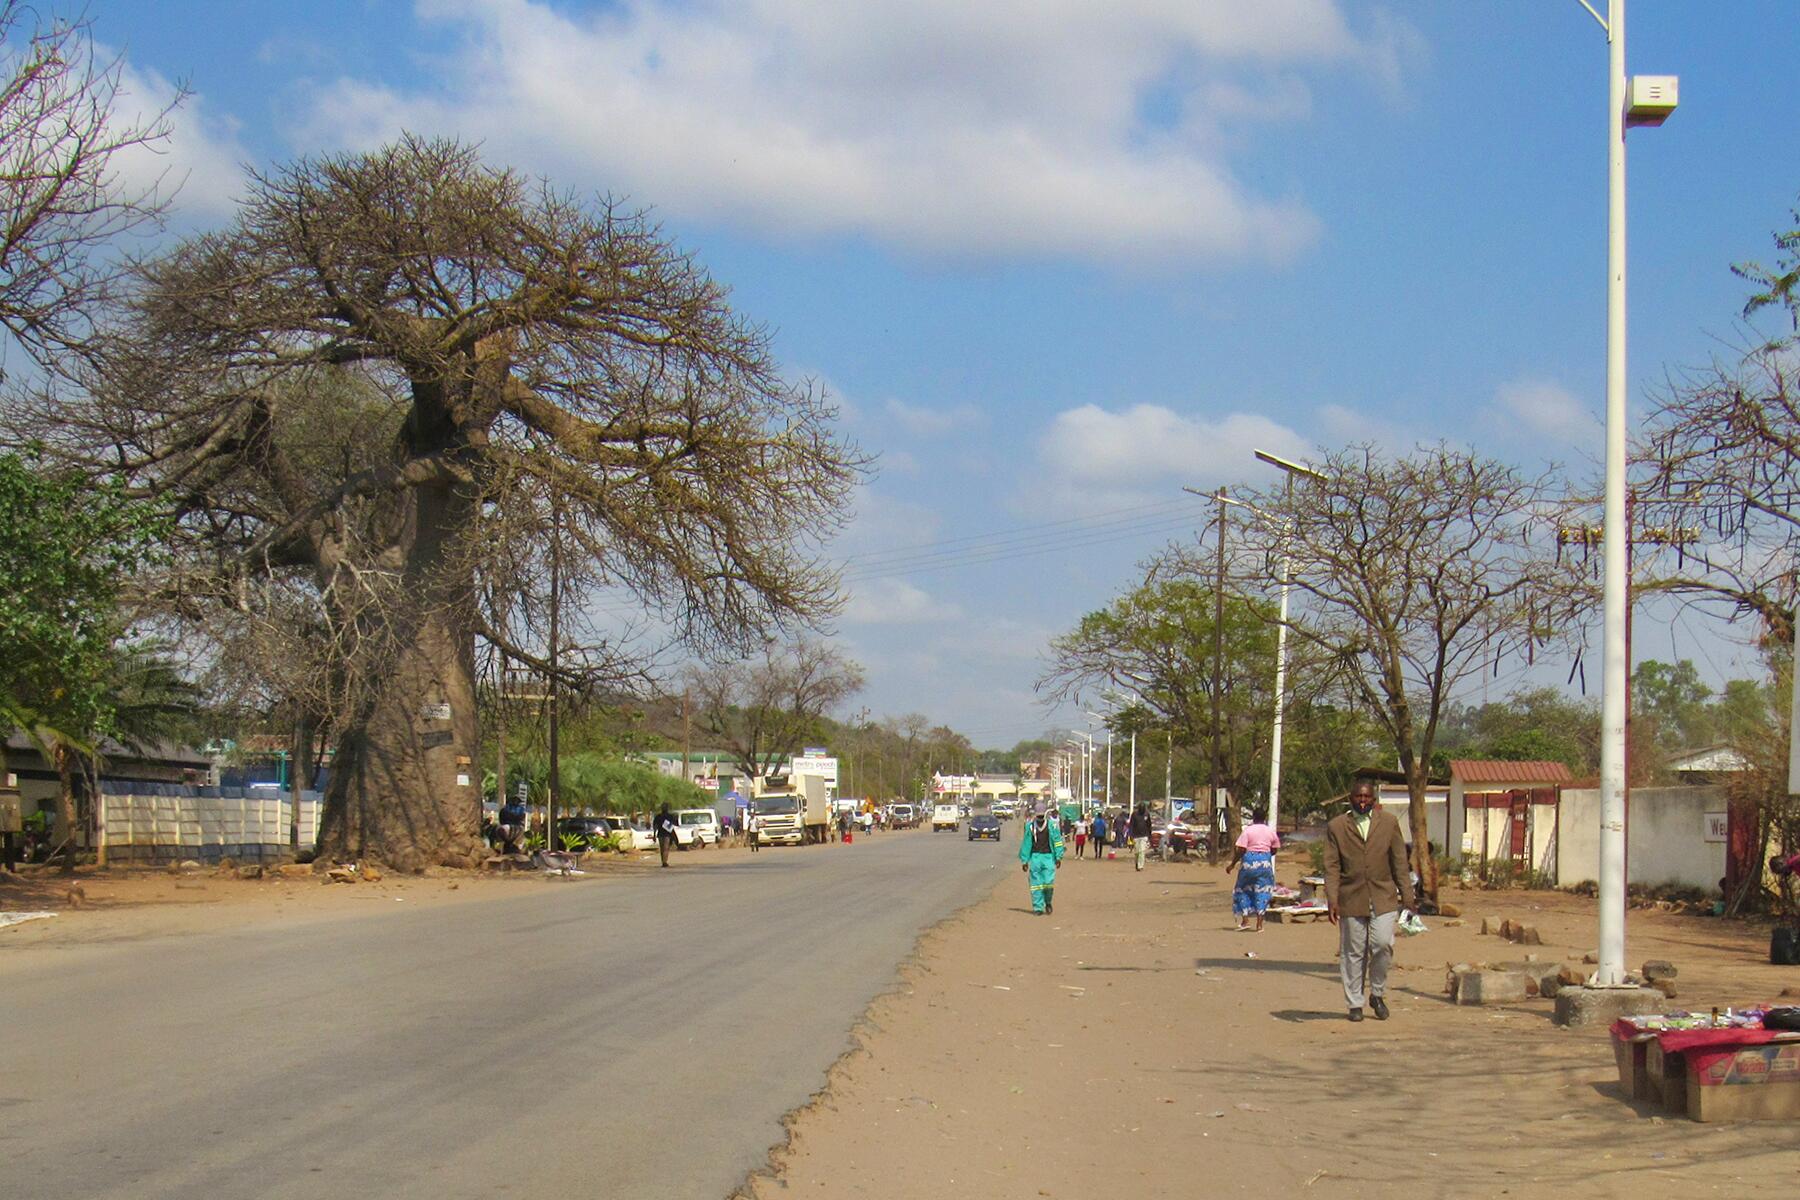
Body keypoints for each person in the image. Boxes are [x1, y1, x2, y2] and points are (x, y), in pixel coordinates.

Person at [1324, 780, 1416, 1022]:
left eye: (1367, 798)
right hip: (1351, 897)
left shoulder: (1388, 823)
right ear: (1351, 798)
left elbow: (1399, 862)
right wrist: (1332, 898)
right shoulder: (1337, 827)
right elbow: (1331, 867)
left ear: (1374, 800)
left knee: (1382, 945)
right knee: (1353, 952)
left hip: (1383, 896)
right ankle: (1355, 1003)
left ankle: (1377, 993)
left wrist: (1408, 897)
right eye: (1358, 797)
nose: (1362, 801)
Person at [1225, 806, 1281, 932]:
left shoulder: (1248, 831)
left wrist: (1232, 864)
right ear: (1264, 818)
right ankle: (1260, 924)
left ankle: (1245, 920)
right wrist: (1264, 857)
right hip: (1265, 864)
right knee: (1263, 890)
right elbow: (1275, 848)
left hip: (1248, 863)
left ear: (1254, 817)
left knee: (1242, 889)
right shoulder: (1270, 831)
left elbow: (1241, 849)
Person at [1018, 800, 1065, 915]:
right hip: (1035, 857)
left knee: (1048, 883)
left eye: (1041, 815)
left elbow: (1058, 841)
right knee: (1036, 885)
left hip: (1048, 857)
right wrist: (1024, 861)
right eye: (1038, 815)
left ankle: (1048, 902)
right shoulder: (1030, 827)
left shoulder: (1052, 826)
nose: (1039, 817)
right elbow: (1026, 843)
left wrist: (1058, 857)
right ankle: (1038, 907)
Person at [654, 803, 679, 868]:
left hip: (661, 834)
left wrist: (654, 834)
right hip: (666, 834)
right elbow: (673, 825)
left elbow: (655, 826)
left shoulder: (658, 816)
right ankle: (664, 862)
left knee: (663, 848)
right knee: (665, 848)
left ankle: (664, 861)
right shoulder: (669, 816)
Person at [1129, 803, 1151, 871]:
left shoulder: (1147, 814)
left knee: (1142, 851)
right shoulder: (1134, 814)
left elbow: (1149, 825)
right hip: (1136, 835)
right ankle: (1137, 863)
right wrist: (1131, 835)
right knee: (1137, 852)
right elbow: (1131, 825)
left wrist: (1149, 835)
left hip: (1144, 835)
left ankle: (1140, 866)